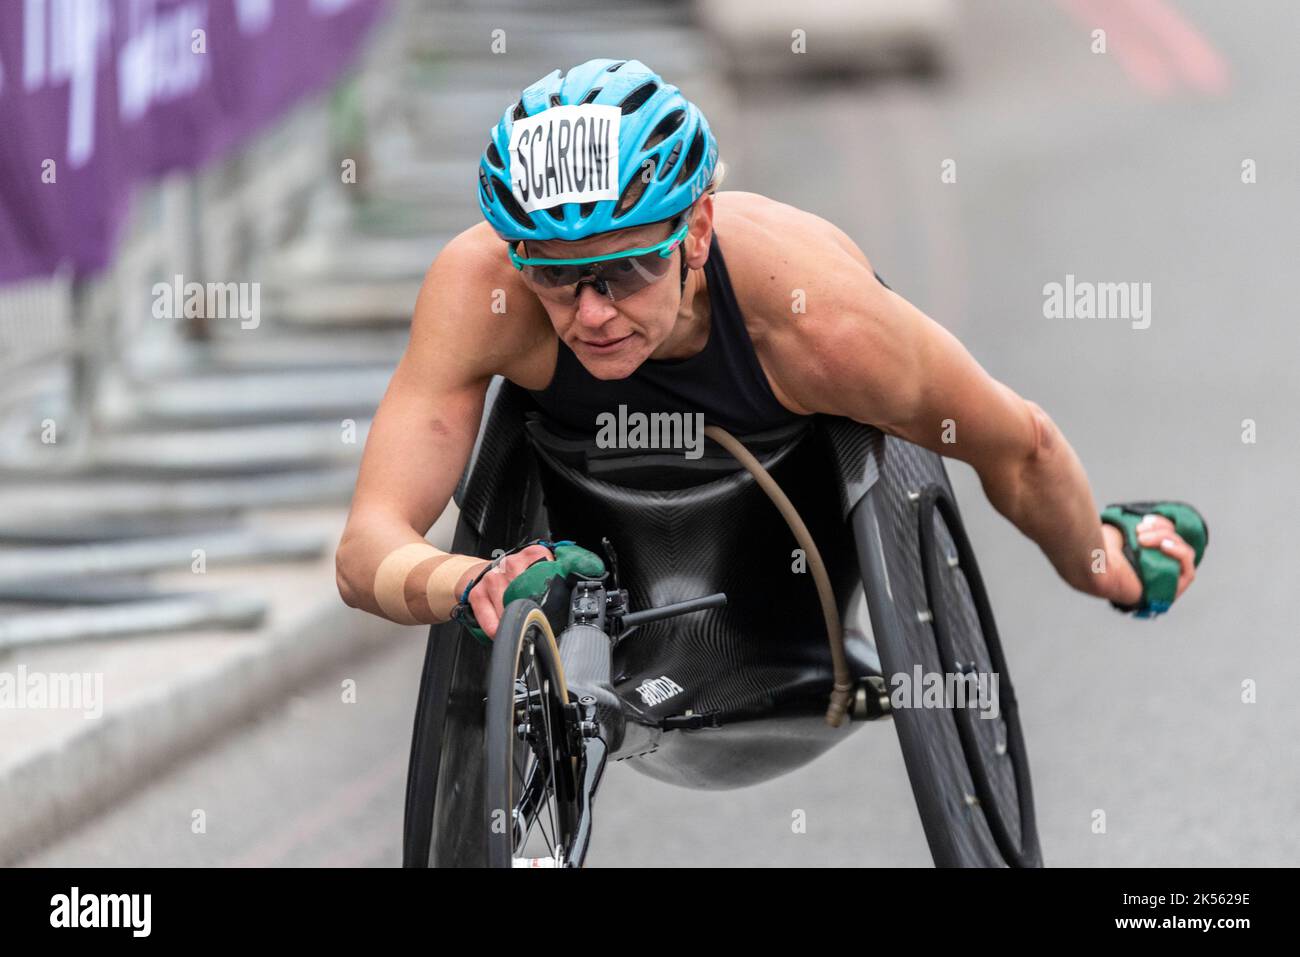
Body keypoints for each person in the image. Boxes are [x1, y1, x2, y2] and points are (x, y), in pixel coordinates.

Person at [335, 58, 1206, 640]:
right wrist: (470, 581)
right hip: (583, 522)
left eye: (628, 267)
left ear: (698, 228)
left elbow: (1020, 444)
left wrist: (1104, 561)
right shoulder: (481, 290)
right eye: (555, 276)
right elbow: (366, 545)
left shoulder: (820, 322)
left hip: (792, 546)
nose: (591, 311)